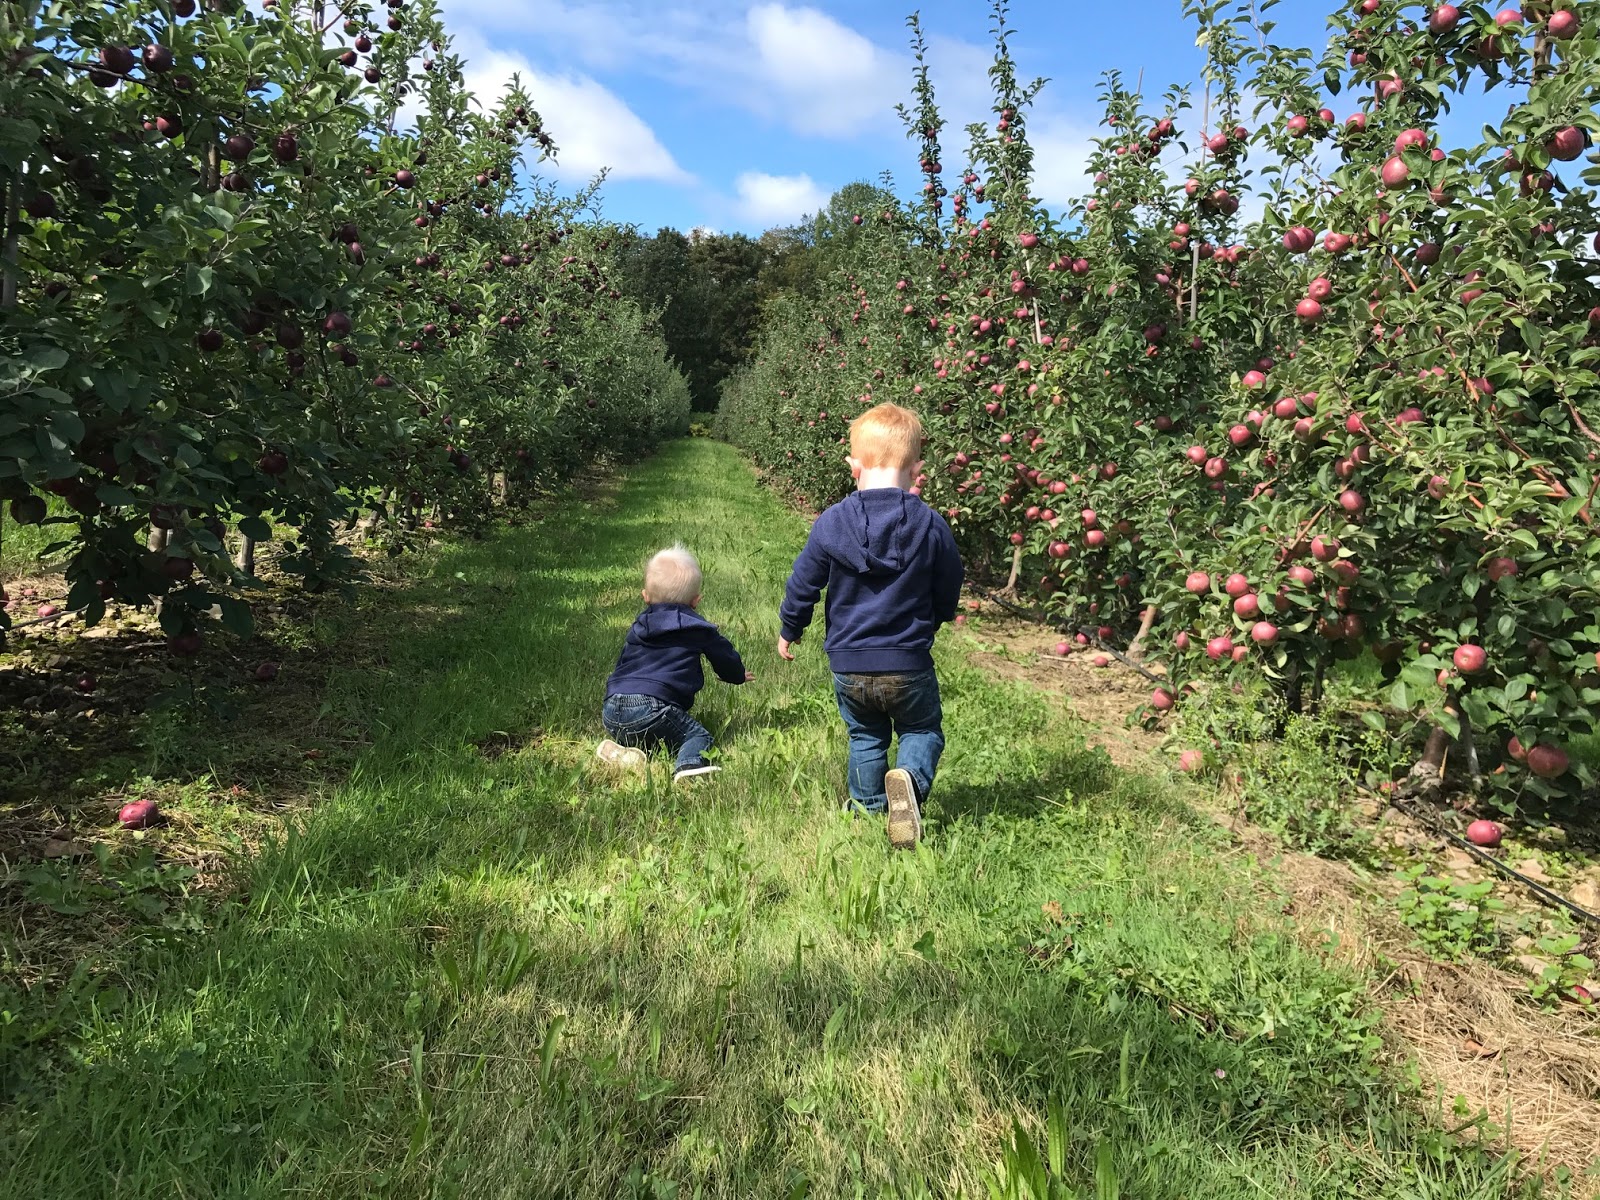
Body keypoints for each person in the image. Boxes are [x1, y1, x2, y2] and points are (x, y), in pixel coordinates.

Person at [778, 402, 964, 848]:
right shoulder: (931, 525)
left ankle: (868, 808)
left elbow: (804, 582)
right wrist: (936, 617)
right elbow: (949, 580)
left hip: (849, 661)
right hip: (907, 660)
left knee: (865, 734)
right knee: (920, 729)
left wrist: (791, 627)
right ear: (917, 470)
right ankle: (909, 787)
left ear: (853, 466)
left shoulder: (830, 524)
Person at [598, 544, 752, 782]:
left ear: (645, 597)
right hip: (652, 707)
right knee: (697, 737)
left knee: (648, 735)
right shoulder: (698, 629)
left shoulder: (639, 626)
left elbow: (623, 663)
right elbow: (724, 656)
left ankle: (622, 750)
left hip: (611, 707)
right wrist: (737, 675)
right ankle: (688, 767)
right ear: (695, 601)